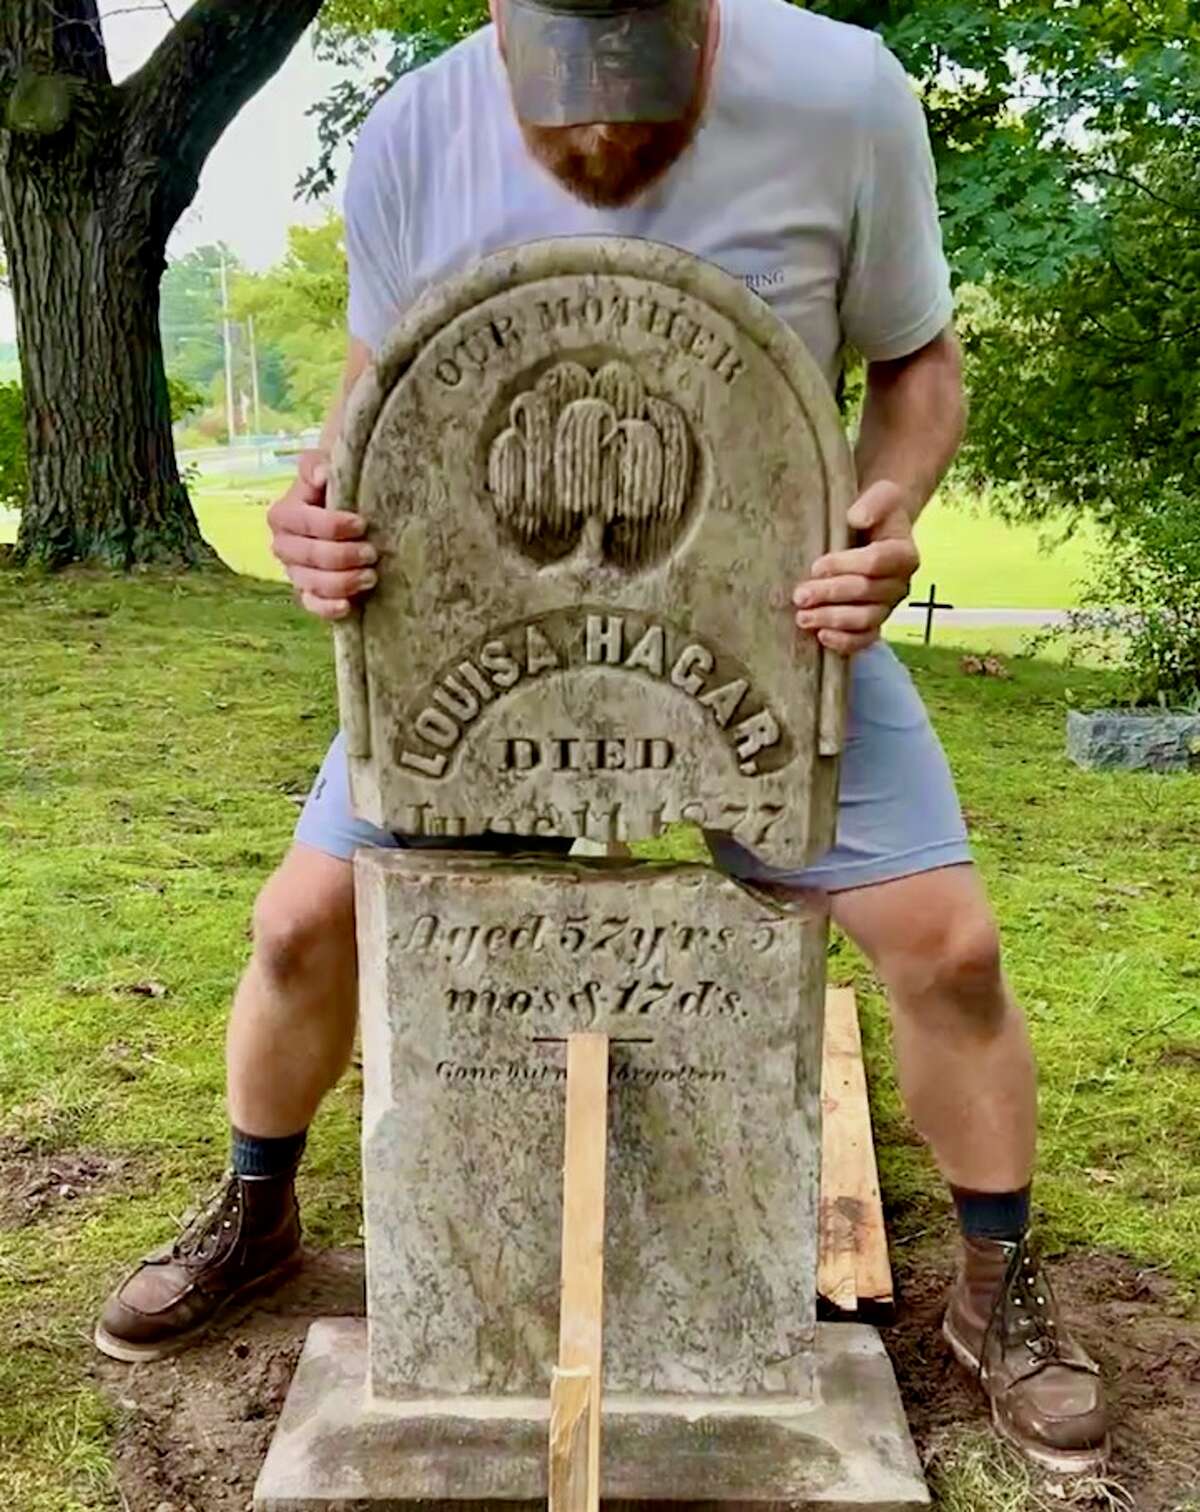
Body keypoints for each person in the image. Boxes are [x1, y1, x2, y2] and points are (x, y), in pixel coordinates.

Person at [95, 0, 1108, 1475]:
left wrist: (884, 510)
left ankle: (997, 1289)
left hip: (771, 620)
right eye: (559, 108)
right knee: (304, 925)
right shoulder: (411, 135)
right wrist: (315, 501)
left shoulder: (841, 94)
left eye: (640, 108)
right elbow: (378, 389)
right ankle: (256, 1210)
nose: (598, 142)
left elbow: (919, 369)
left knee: (946, 945)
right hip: (482, 635)